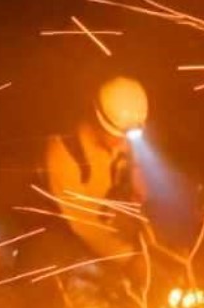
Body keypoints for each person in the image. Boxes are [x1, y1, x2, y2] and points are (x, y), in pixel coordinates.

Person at [43, 76, 149, 260]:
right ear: (97, 120)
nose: (124, 142)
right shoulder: (64, 153)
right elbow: (84, 224)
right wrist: (129, 259)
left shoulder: (124, 137)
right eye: (117, 135)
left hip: (110, 229)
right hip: (70, 241)